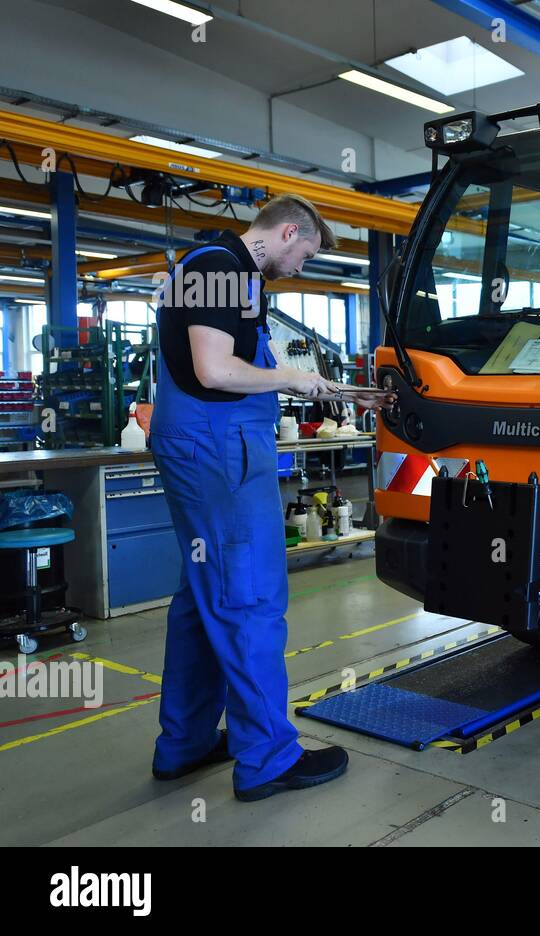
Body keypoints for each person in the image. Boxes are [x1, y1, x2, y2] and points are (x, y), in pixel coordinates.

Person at [148, 194, 392, 801]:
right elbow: (215, 371)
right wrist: (292, 376)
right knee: (248, 595)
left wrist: (338, 391)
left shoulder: (229, 274)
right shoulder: (219, 269)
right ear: (287, 233)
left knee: (202, 598)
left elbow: (237, 368)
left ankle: (184, 743)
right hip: (216, 450)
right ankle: (267, 759)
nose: (302, 267)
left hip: (212, 444)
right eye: (305, 254)